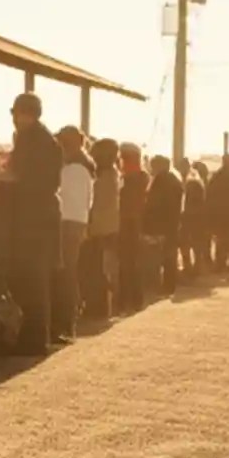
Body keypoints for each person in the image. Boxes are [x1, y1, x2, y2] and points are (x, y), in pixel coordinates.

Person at [5, 93, 62, 355]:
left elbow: (25, 179)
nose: (15, 119)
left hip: (31, 219)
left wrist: (1, 181)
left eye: (16, 113)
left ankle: (33, 340)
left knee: (30, 279)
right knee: (36, 279)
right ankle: (36, 337)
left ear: (25, 114)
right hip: (41, 217)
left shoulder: (32, 140)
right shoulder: (45, 139)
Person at [53, 125, 94, 342]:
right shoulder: (86, 168)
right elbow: (89, 201)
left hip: (64, 223)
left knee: (63, 273)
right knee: (70, 272)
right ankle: (70, 322)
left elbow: (58, 197)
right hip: (79, 223)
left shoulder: (68, 170)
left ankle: (65, 323)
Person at [82, 139, 121, 319]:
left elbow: (96, 203)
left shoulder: (105, 175)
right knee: (100, 270)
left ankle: (97, 308)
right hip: (107, 228)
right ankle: (100, 307)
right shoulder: (111, 173)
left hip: (99, 229)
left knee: (95, 270)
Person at [117, 143, 150, 313]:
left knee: (129, 263)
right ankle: (132, 298)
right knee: (130, 263)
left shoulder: (133, 178)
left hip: (130, 223)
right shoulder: (139, 176)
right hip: (132, 222)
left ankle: (128, 299)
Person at [144, 155, 184, 295]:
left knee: (159, 256)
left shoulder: (161, 181)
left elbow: (154, 204)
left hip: (161, 224)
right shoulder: (175, 180)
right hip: (172, 223)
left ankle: (160, 285)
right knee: (170, 256)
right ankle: (169, 285)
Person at [177, 158, 208, 278]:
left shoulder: (192, 180)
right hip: (191, 216)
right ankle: (190, 266)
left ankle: (194, 266)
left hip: (192, 216)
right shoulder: (191, 178)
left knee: (192, 242)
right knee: (188, 243)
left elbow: (193, 200)